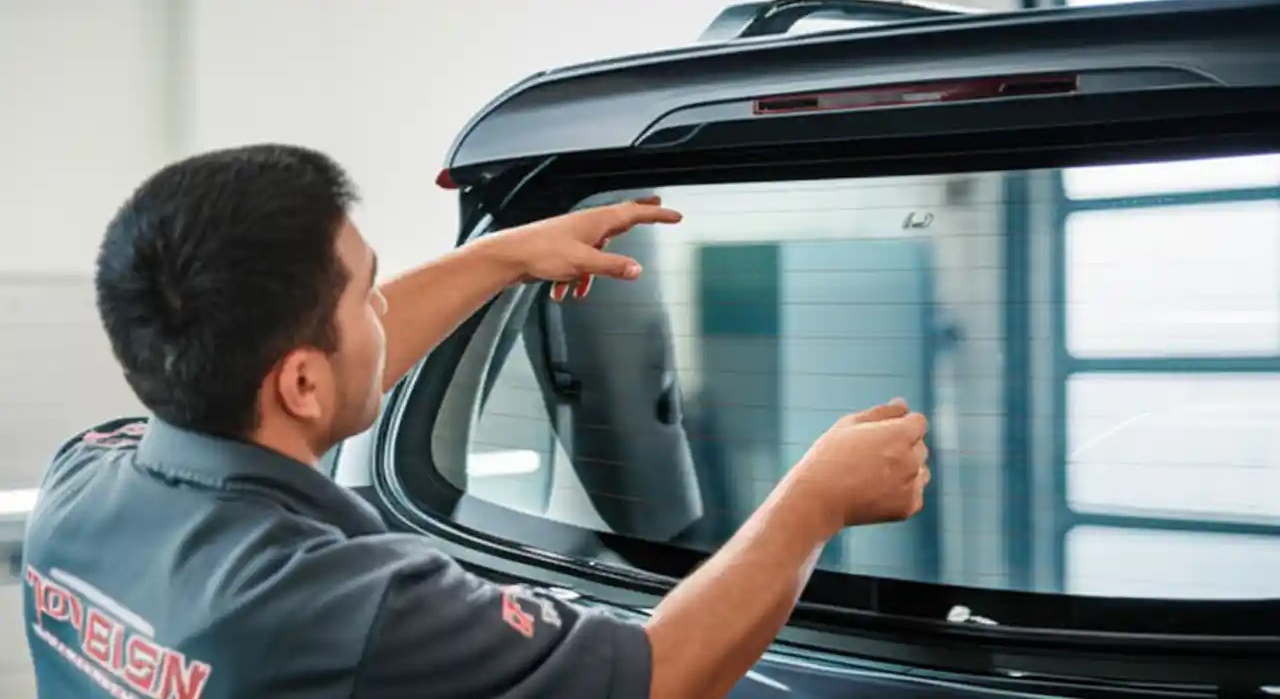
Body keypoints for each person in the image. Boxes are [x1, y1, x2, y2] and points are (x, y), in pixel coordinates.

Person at [21, 144, 930, 699]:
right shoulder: (343, 608)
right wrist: (814, 504)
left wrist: (499, 258)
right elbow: (658, 679)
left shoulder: (85, 480)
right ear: (299, 382)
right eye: (365, 293)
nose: (383, 307)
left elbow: (325, 375)